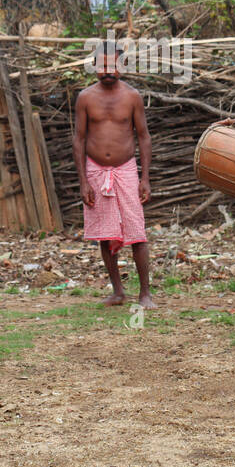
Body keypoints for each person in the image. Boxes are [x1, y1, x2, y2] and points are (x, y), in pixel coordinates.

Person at [73, 45, 155, 309]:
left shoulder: (132, 97)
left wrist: (145, 178)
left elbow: (143, 136)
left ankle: (145, 294)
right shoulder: (85, 98)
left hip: (126, 169)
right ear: (94, 66)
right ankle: (118, 291)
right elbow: (79, 139)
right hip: (96, 170)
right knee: (105, 234)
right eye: (103, 65)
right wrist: (83, 180)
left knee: (136, 232)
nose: (108, 71)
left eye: (113, 65)